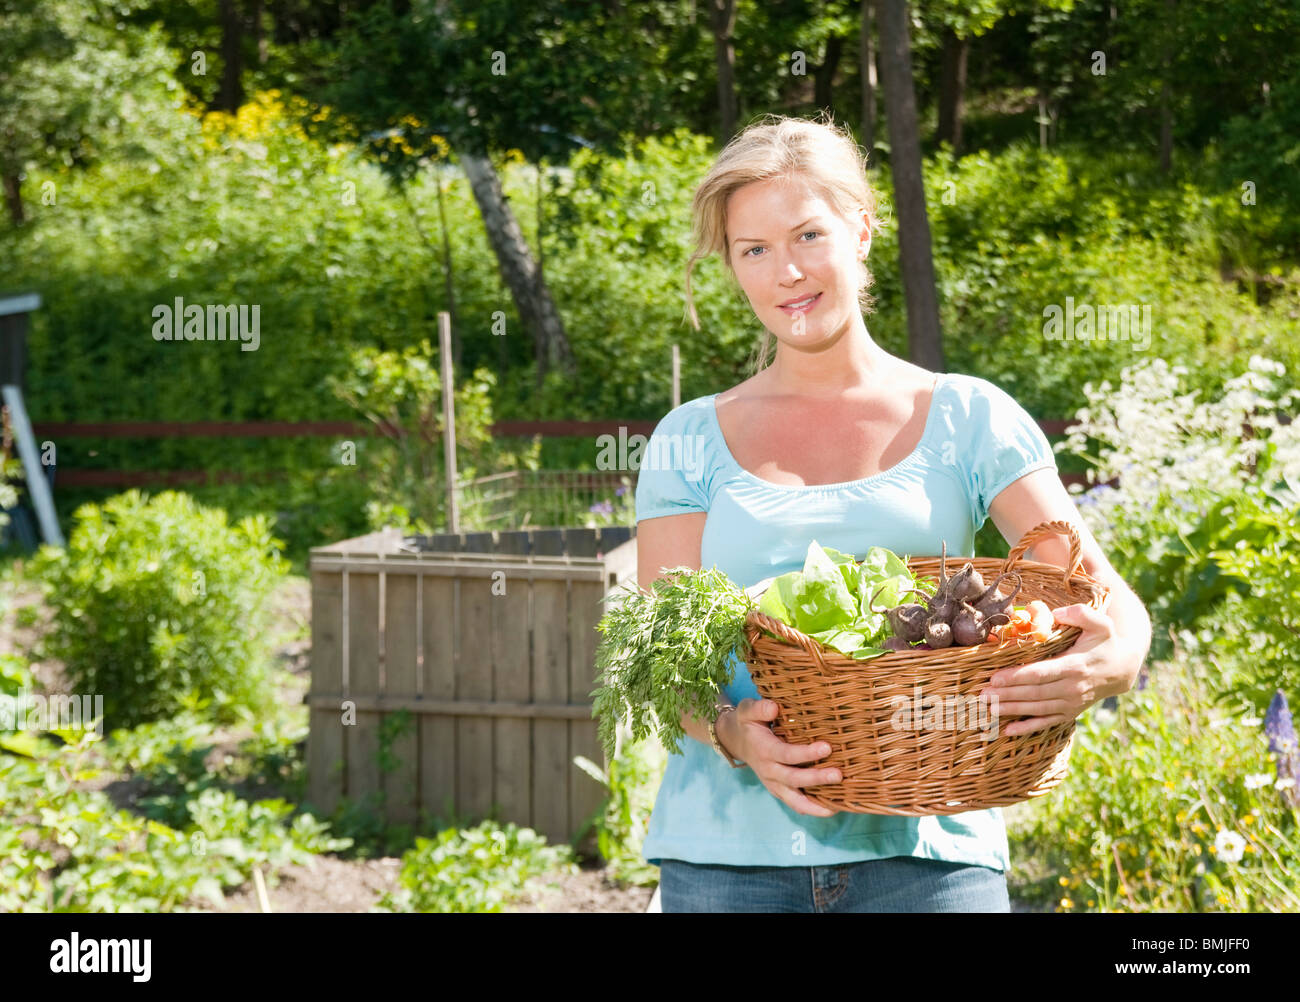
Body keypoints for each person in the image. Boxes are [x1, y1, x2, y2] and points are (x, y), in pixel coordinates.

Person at [633, 113, 1152, 913]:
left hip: (932, 857)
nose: (786, 274)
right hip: (725, 862)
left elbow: (1107, 605)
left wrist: (1103, 668)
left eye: (809, 235)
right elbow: (660, 662)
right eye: (755, 249)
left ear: (863, 230)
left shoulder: (970, 417)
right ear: (733, 265)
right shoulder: (686, 438)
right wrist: (736, 734)